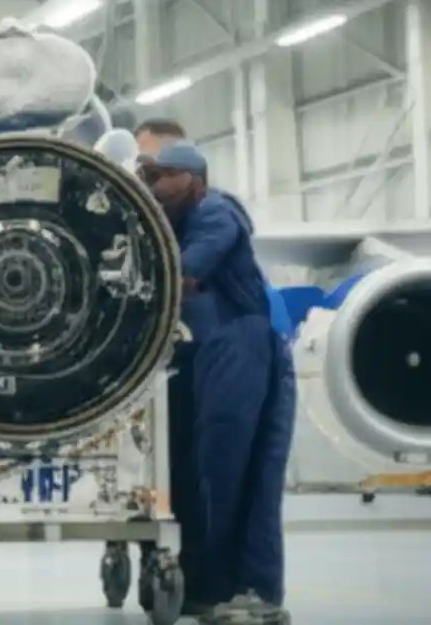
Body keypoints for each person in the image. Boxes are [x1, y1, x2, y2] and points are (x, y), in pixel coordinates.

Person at [142, 141, 295, 624]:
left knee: (234, 468)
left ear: (195, 179)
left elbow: (184, 272)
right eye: (149, 178)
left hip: (240, 347)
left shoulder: (216, 210)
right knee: (185, 470)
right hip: (194, 355)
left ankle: (254, 588)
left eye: (164, 176)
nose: (155, 187)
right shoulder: (171, 221)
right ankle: (203, 585)